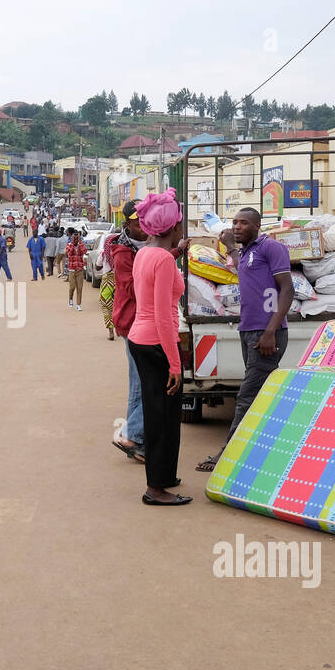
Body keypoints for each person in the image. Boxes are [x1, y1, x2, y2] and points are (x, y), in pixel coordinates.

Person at [199, 206, 293, 474]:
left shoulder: (271, 248)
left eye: (243, 223)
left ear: (256, 225)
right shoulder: (248, 252)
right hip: (248, 330)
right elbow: (245, 271)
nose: (237, 227)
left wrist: (271, 331)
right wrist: (230, 248)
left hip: (267, 333)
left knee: (247, 396)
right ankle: (260, 449)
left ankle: (228, 453)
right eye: (234, 222)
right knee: (260, 395)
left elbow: (287, 289)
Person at [127, 190, 190, 506]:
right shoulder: (163, 260)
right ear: (172, 227)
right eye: (180, 222)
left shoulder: (145, 254)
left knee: (158, 413)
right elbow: (166, 316)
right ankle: (156, 488)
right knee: (164, 417)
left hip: (140, 339)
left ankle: (164, 476)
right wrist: (175, 364)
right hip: (157, 343)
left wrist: (176, 253)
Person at [108, 201, 148, 463]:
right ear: (127, 225)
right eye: (137, 224)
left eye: (144, 222)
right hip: (132, 322)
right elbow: (133, 289)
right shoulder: (123, 252)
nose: (142, 228)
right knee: (149, 384)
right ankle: (130, 433)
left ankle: (136, 441)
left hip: (138, 321)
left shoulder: (142, 245)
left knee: (138, 384)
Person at [65, 228, 87, 311]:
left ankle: (78, 304)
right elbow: (69, 254)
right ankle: (70, 299)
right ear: (71, 238)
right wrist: (72, 245)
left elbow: (85, 251)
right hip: (72, 269)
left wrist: (80, 243)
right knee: (72, 287)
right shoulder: (69, 245)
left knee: (80, 287)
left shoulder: (81, 245)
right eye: (74, 238)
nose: (75, 240)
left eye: (77, 238)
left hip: (80, 269)